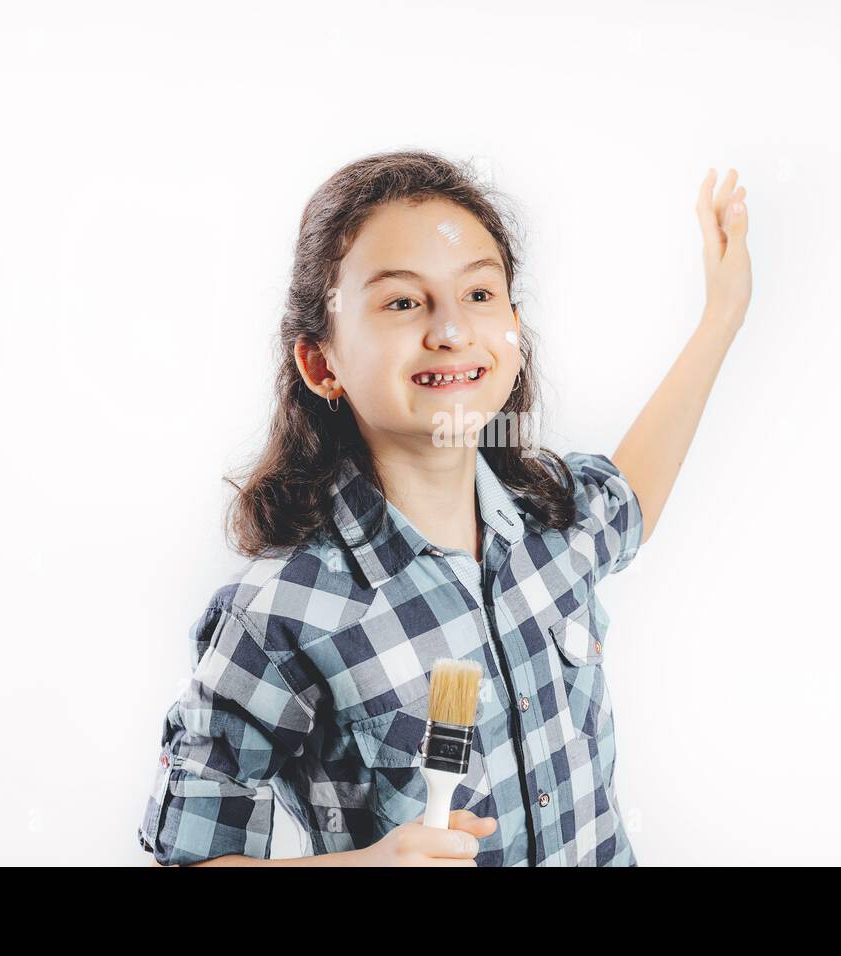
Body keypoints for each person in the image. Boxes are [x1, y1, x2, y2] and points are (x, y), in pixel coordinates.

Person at [137, 150, 752, 865]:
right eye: (402, 301)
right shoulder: (280, 613)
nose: (452, 330)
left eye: (480, 295)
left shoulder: (552, 522)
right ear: (321, 363)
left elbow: (634, 493)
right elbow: (188, 855)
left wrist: (722, 318)